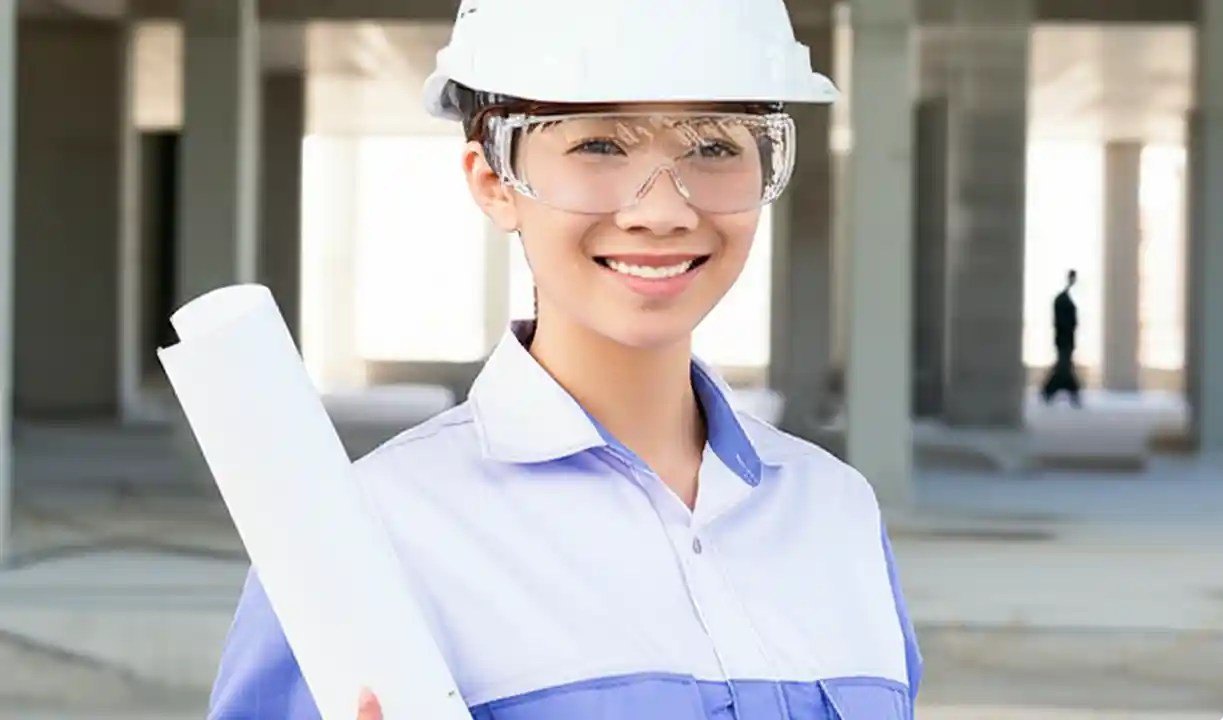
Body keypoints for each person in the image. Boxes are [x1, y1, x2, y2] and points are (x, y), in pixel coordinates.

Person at [208, 0, 922, 717]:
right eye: (600, 147)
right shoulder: (371, 531)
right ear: (493, 182)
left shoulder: (834, 511)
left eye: (713, 146)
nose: (663, 211)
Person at [1041, 269, 1082, 407]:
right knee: (1063, 368)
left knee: (1064, 367)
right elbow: (1063, 322)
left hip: (1066, 339)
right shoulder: (1062, 300)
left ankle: (1051, 391)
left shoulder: (1064, 299)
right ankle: (1052, 391)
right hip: (1064, 339)